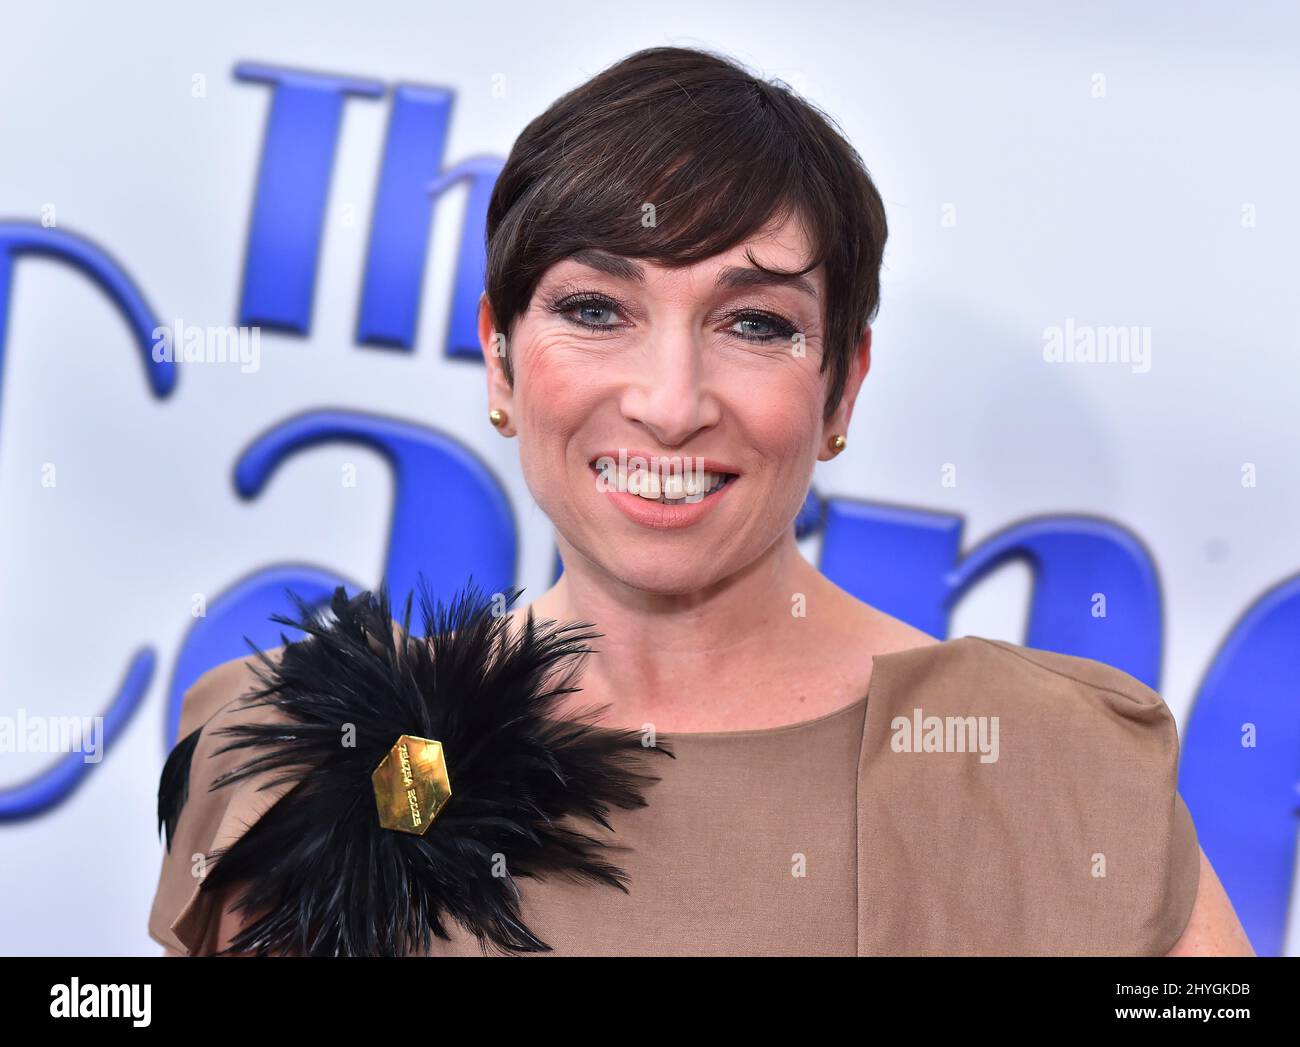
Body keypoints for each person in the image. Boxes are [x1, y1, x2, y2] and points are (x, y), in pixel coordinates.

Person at [148, 45, 1253, 957]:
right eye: (595, 308)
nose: (670, 404)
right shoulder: (311, 757)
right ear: (497, 360)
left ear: (841, 386)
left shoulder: (1047, 767)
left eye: (754, 323)